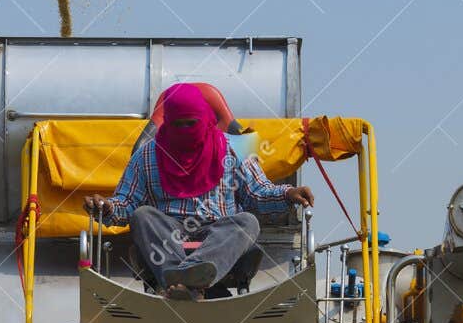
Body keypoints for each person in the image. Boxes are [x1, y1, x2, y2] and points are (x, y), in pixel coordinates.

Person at [98, 83, 313, 299]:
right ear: (167, 123)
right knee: (142, 216)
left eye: (191, 124)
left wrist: (287, 193)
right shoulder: (147, 155)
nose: (185, 131)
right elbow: (126, 204)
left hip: (217, 231)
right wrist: (107, 207)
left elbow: (257, 193)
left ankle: (182, 281)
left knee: (248, 222)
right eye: (177, 125)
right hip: (169, 234)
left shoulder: (233, 148)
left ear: (204, 119)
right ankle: (187, 283)